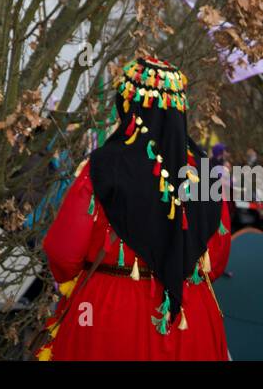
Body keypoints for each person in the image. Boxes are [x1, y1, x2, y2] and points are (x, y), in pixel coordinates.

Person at [35, 57, 231, 360]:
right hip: (190, 319)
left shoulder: (102, 166)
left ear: (127, 107)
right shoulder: (206, 172)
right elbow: (216, 259)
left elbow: (63, 251)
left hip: (110, 315)